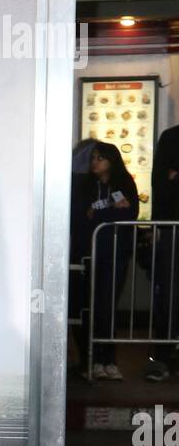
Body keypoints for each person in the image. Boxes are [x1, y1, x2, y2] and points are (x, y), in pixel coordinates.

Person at [75, 141, 139, 382]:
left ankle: (109, 359)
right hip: (91, 253)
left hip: (116, 253)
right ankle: (92, 360)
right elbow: (85, 216)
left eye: (100, 158)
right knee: (91, 307)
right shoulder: (86, 186)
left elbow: (129, 213)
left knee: (108, 306)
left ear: (111, 160)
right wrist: (110, 210)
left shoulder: (123, 183)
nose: (94, 163)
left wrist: (100, 213)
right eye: (92, 158)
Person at [146, 123, 179, 381]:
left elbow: (167, 179)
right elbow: (160, 181)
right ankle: (163, 356)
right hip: (172, 228)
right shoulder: (171, 137)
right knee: (168, 292)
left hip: (170, 225)